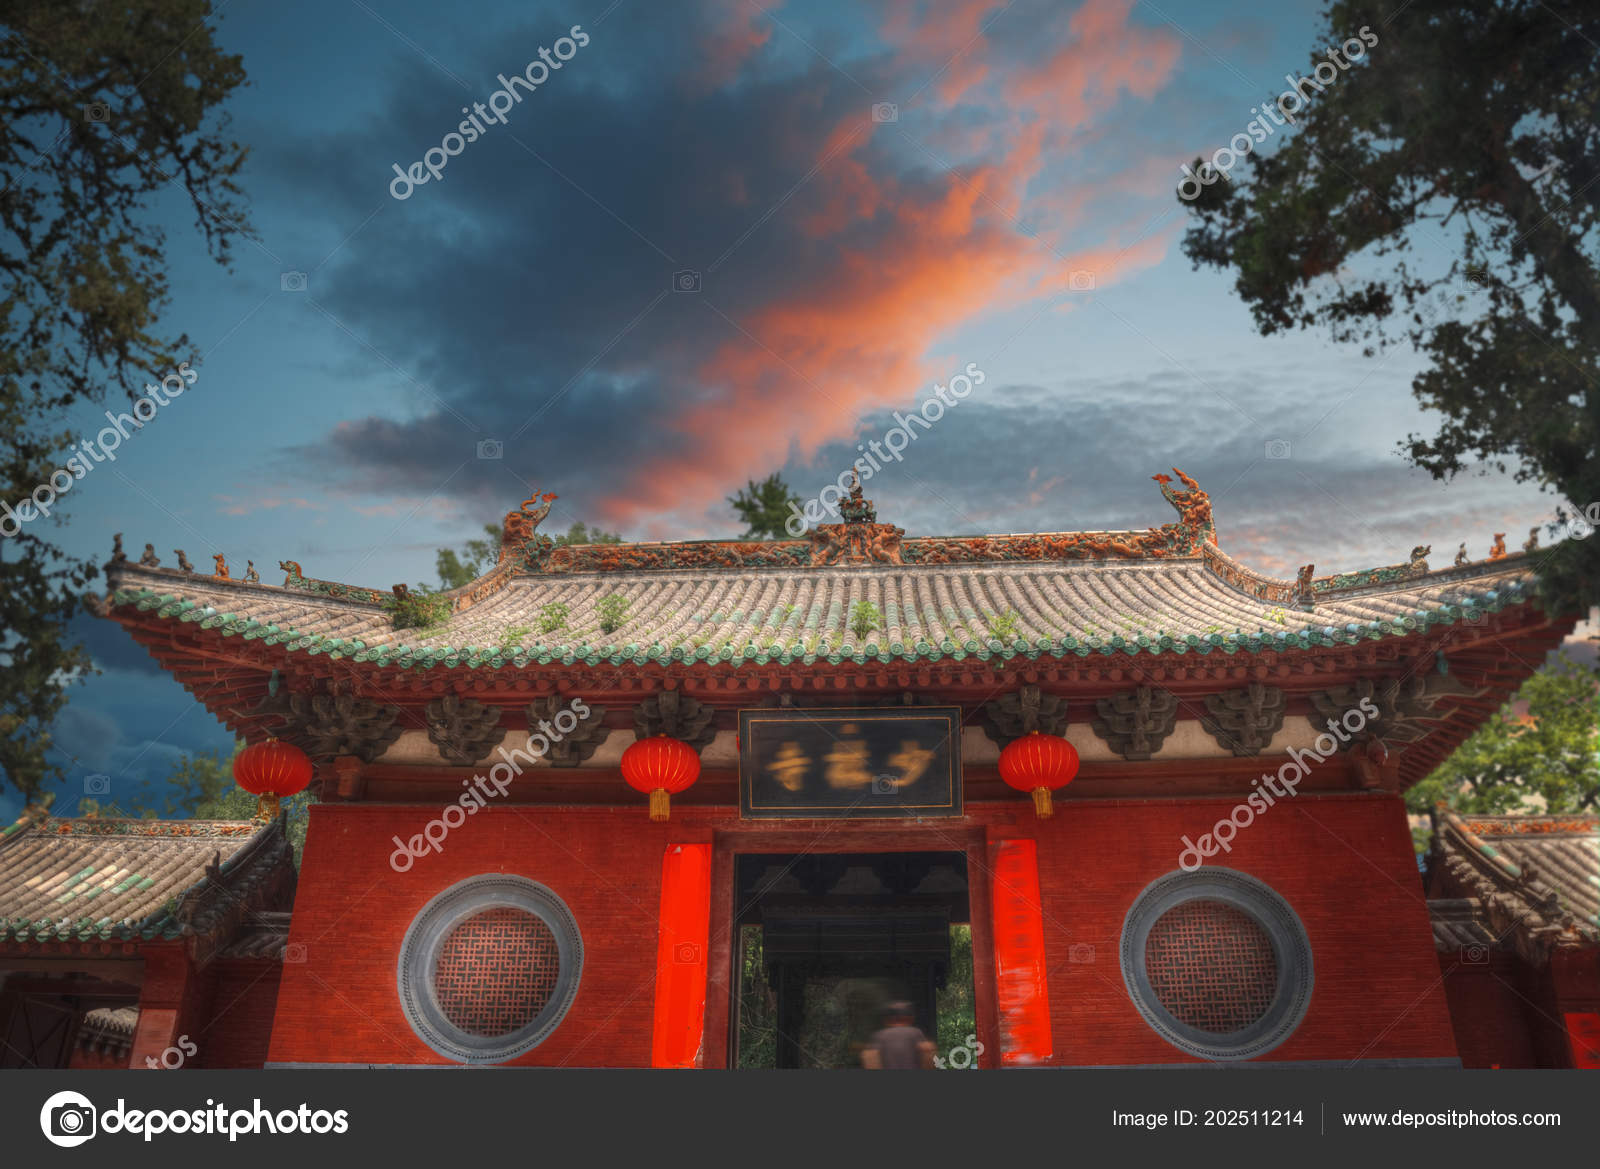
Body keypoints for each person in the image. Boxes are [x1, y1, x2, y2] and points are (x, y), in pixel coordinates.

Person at [861, 1001, 936, 1069]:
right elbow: (928, 1056)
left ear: (887, 1019)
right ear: (909, 1018)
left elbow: (870, 1060)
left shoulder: (878, 1036)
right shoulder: (915, 1033)